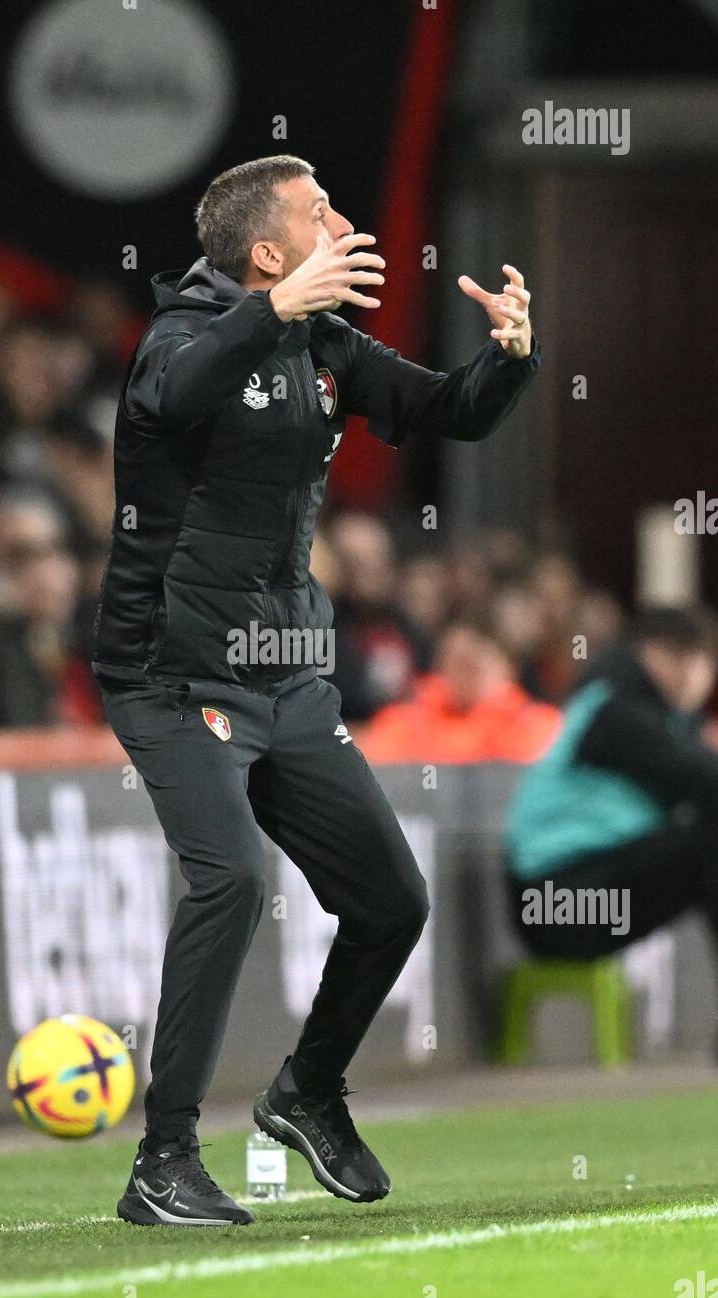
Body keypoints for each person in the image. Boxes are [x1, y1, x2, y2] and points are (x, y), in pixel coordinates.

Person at [93, 154, 541, 1226]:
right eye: (319, 212)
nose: (343, 222)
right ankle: (162, 1159)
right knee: (230, 882)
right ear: (266, 252)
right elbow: (174, 391)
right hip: (172, 667)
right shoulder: (182, 333)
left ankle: (306, 1092)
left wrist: (509, 357)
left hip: (287, 672)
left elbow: (447, 412)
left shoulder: (323, 342)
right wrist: (265, 315)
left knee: (392, 899)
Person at [505, 608, 718, 982]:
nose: (692, 674)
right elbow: (705, 778)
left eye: (702, 660)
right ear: (646, 652)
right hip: (556, 908)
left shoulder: (633, 709)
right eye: (679, 656)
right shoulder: (618, 713)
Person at [359, 620, 560, 764]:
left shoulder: (537, 724)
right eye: (457, 663)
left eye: (474, 665)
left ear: (509, 666)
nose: (465, 677)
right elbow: (375, 768)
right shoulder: (406, 720)